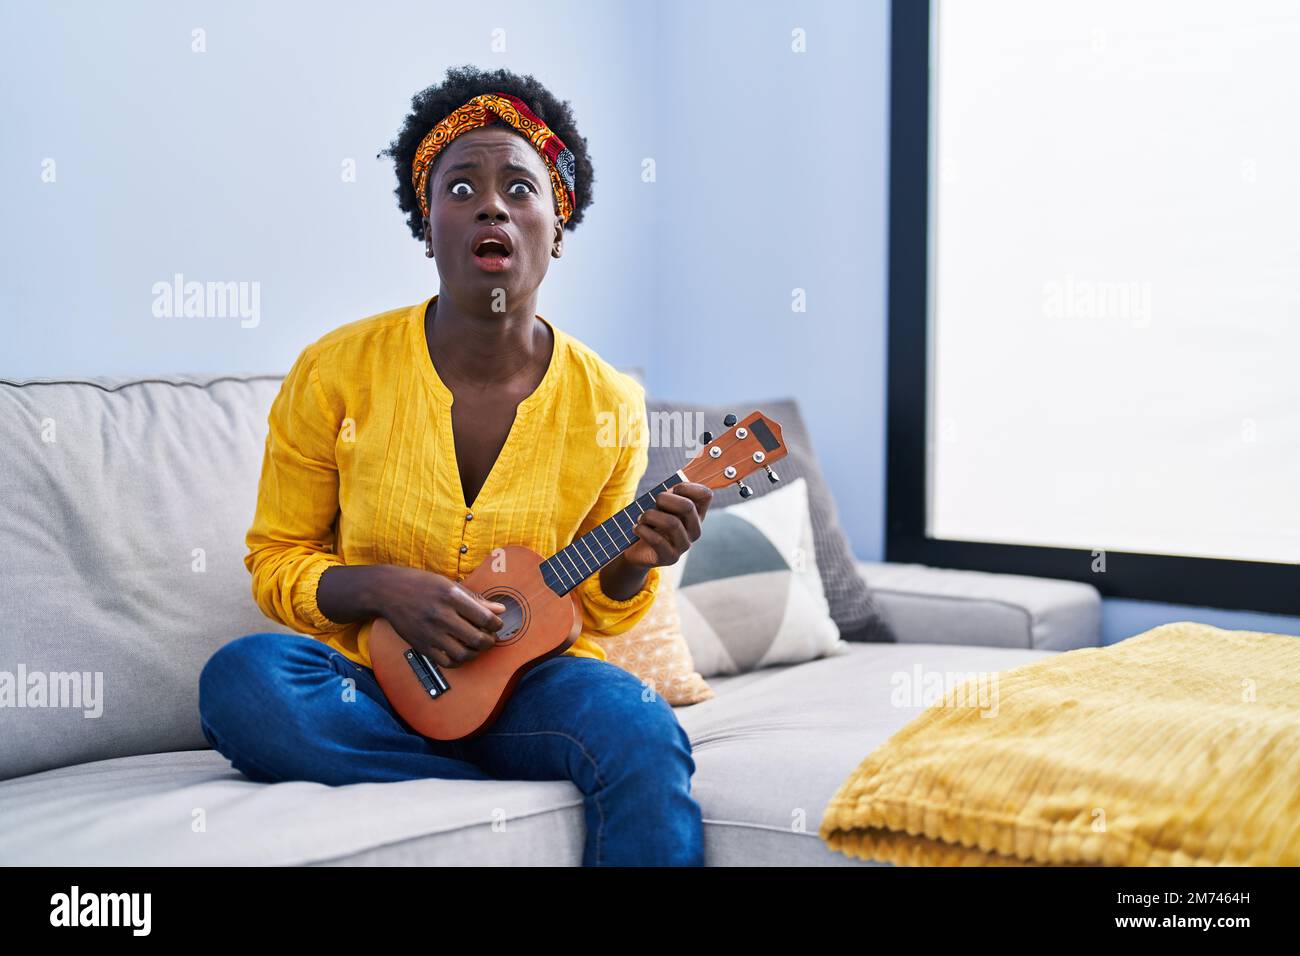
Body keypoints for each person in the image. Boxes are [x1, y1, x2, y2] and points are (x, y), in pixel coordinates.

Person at [197, 65, 712, 867]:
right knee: (245, 683)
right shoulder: (334, 371)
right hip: (376, 686)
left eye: (520, 186)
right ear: (426, 223)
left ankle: (492, 752)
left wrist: (631, 567)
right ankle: (477, 768)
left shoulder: (610, 400)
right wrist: (380, 589)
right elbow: (275, 562)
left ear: (557, 224)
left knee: (642, 726)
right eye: (460, 187)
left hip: (535, 690)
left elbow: (600, 611)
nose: (492, 204)